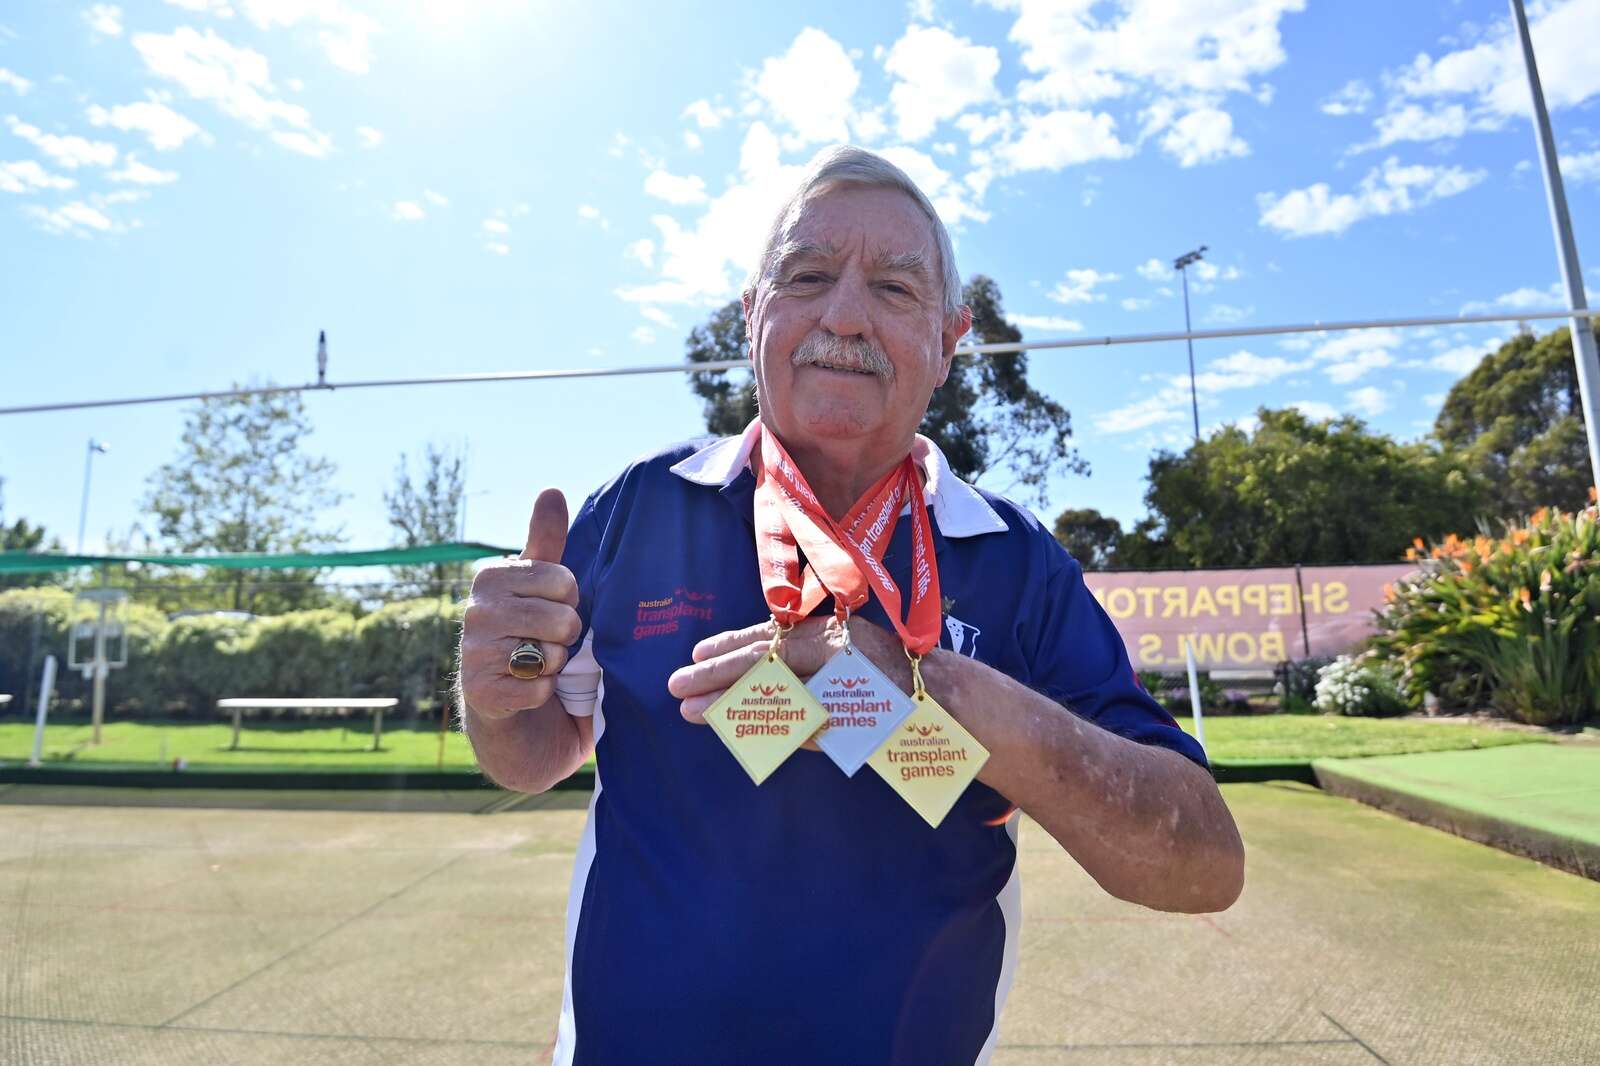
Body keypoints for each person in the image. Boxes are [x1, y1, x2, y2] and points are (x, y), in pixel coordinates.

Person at [457, 145, 1244, 1066]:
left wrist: (930, 689)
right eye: (807, 276)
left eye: (895, 289)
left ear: (950, 342)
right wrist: (502, 691)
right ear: (752, 313)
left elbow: (1203, 865)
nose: (843, 316)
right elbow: (535, 753)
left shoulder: (1014, 558)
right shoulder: (640, 507)